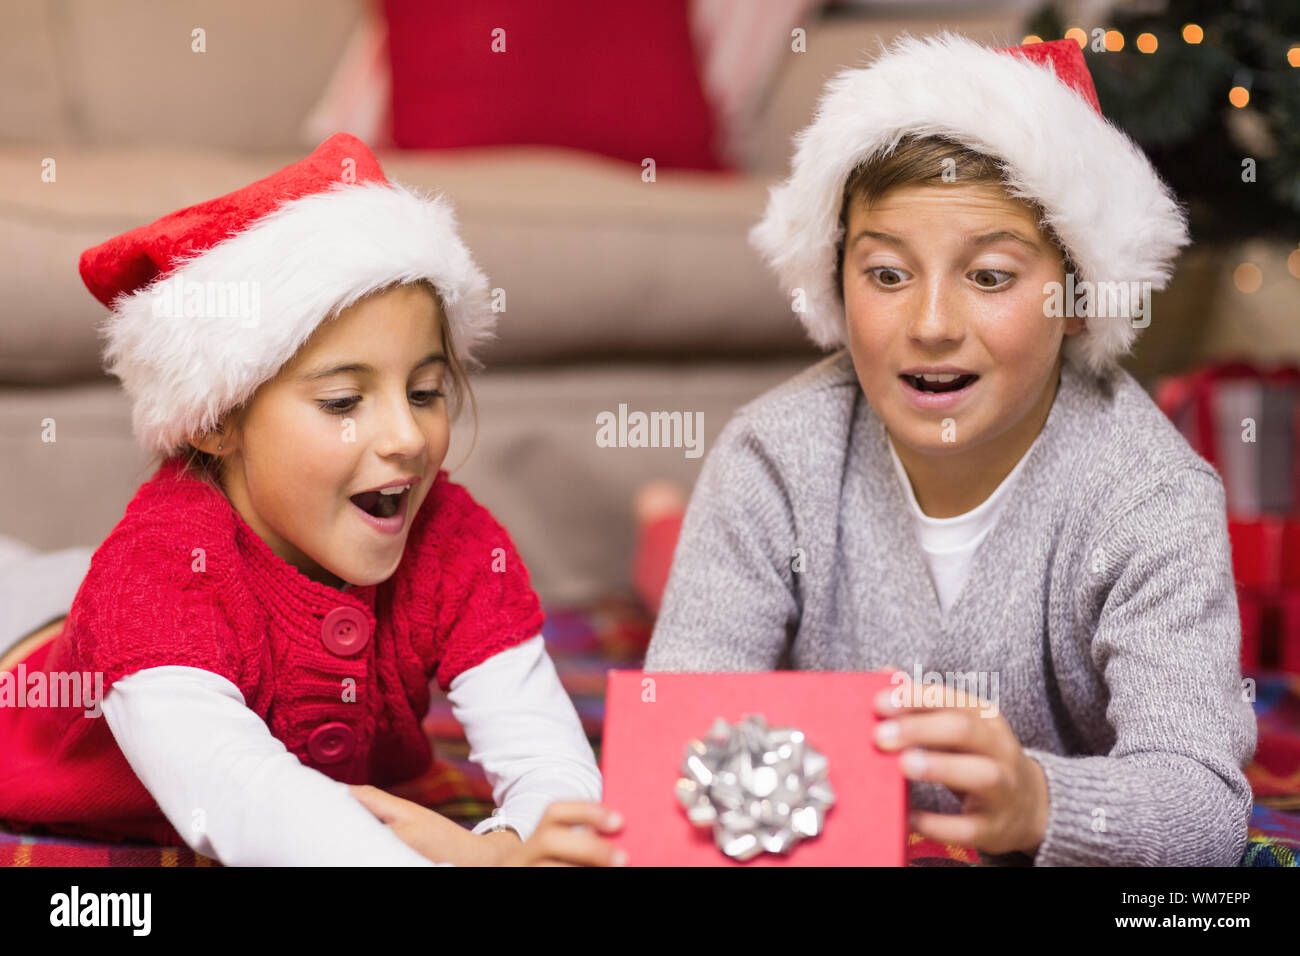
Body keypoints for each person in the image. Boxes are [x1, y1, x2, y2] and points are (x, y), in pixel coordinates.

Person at [644, 34, 1258, 866]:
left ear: (1079, 297)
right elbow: (678, 725)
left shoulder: (1151, 497)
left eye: (992, 276)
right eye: (888, 275)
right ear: (834, 280)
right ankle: (658, 532)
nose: (931, 325)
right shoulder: (770, 459)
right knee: (670, 577)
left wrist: (1044, 801)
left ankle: (658, 531)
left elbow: (1204, 806)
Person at [0, 133, 623, 867]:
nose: (407, 436)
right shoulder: (155, 575)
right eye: (342, 401)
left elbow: (550, 762)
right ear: (213, 422)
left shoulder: (452, 538)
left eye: (425, 393)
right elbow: (244, 799)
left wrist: (524, 844)